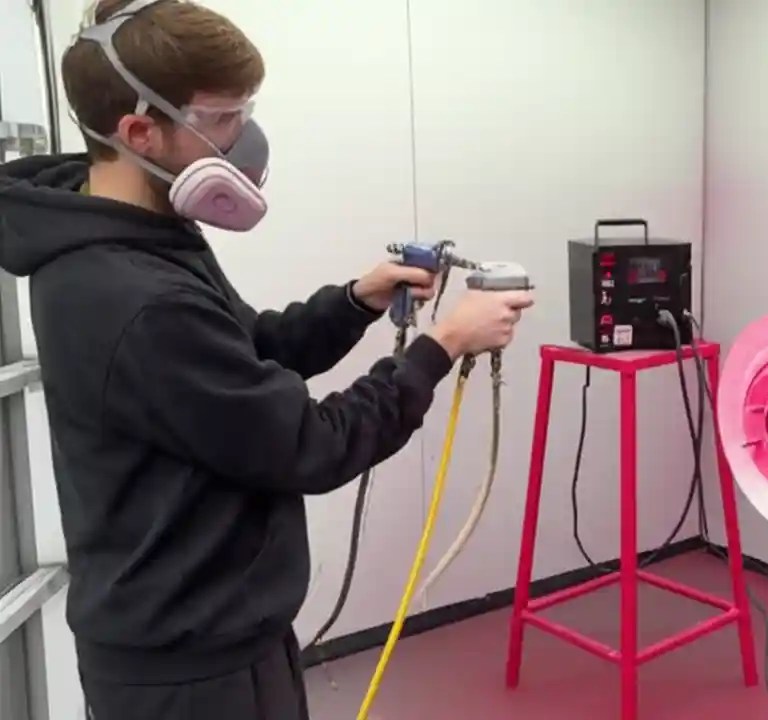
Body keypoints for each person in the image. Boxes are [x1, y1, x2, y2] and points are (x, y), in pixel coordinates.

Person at [0, 1, 534, 718]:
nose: (244, 139)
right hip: (190, 673)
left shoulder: (141, 236)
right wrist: (443, 347)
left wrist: (356, 299)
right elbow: (308, 446)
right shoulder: (130, 294)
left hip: (216, 633)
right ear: (139, 131)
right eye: (222, 120)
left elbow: (247, 353)